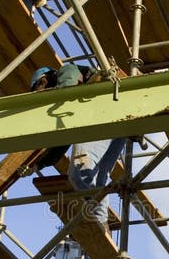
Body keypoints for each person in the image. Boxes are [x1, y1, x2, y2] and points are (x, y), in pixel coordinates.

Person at [29, 63, 126, 226]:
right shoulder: (69, 108)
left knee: (79, 172)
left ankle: (99, 220)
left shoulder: (66, 71)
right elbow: (62, 143)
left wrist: (57, 99)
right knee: (98, 179)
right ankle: (102, 224)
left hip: (102, 113)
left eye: (39, 89)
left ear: (43, 81)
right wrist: (39, 165)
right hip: (119, 120)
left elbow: (67, 86)